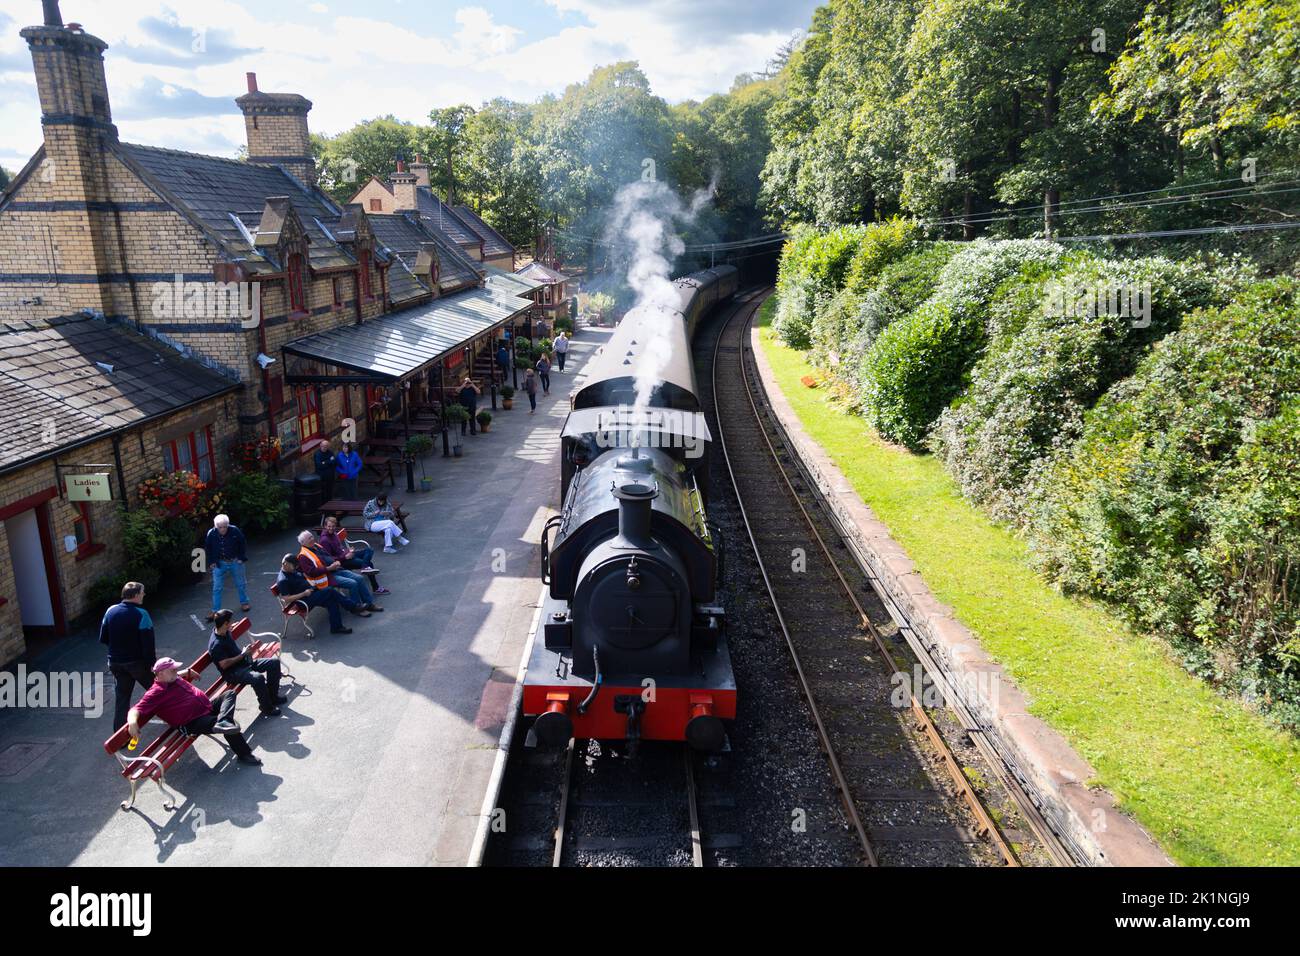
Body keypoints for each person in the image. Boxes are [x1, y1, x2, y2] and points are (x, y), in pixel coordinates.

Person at [128, 657, 260, 765]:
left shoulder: (171, 677)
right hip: (192, 722)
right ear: (161, 673)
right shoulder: (155, 692)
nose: (175, 670)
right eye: (172, 669)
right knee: (229, 725)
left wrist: (187, 672)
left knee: (229, 694)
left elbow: (177, 674)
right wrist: (133, 722)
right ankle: (244, 754)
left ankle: (224, 720)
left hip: (205, 708)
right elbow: (136, 709)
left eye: (175, 668)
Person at [99, 581, 156, 733]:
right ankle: (177, 721)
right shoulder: (142, 614)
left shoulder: (110, 611)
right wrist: (153, 665)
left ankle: (121, 737)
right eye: (142, 592)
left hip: (116, 663)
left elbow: (103, 638)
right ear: (136, 595)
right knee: (158, 691)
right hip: (138, 664)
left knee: (122, 699)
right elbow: (148, 645)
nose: (144, 594)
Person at [208, 609, 286, 717]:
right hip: (233, 672)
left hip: (243, 663)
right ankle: (266, 707)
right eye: (231, 621)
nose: (232, 622)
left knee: (274, 663)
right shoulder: (216, 645)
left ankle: (273, 697)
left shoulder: (224, 630)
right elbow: (224, 664)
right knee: (258, 678)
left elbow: (229, 631)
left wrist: (243, 655)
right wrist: (243, 654)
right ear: (225, 623)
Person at [298, 530, 382, 611]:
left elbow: (328, 556)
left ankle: (369, 604)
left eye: (311, 536)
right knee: (352, 583)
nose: (312, 539)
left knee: (359, 578)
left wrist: (337, 561)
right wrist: (329, 568)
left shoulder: (316, 546)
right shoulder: (303, 556)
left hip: (335, 569)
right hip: (326, 578)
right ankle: (357, 607)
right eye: (309, 538)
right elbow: (312, 572)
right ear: (303, 543)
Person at [275, 554, 356, 635]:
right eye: (294, 566)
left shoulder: (292, 571)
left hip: (311, 593)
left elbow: (303, 576)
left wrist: (310, 583)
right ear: (285, 564)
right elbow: (286, 599)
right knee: (330, 591)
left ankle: (336, 627)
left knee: (331, 600)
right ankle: (353, 607)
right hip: (303, 601)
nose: (295, 568)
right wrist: (304, 593)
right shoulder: (283, 580)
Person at [320, 514, 390, 595]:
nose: (331, 528)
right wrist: (345, 556)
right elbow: (329, 559)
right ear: (325, 526)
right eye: (329, 526)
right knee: (369, 564)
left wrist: (348, 551)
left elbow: (339, 549)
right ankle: (376, 588)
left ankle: (364, 567)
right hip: (341, 562)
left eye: (333, 526)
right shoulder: (324, 540)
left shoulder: (334, 534)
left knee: (369, 550)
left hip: (345, 555)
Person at [205, 514, 249, 619]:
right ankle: (216, 611)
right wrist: (211, 561)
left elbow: (242, 542)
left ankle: (244, 602)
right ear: (216, 527)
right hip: (220, 563)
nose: (223, 529)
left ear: (227, 525)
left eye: (225, 526)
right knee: (217, 588)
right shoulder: (211, 534)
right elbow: (208, 548)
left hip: (235, 561)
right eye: (220, 527)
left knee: (240, 584)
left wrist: (241, 557)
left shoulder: (234, 530)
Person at [313, 438, 336, 502]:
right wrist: (329, 462)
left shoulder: (330, 452)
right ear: (320, 446)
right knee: (322, 492)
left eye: (326, 446)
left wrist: (324, 462)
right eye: (323, 446)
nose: (324, 447)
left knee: (330, 492)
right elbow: (319, 465)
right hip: (321, 477)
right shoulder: (317, 454)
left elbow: (334, 462)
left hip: (330, 477)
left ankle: (330, 504)